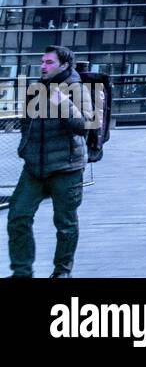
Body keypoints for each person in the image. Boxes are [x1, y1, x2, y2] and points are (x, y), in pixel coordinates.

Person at [8, 47, 94, 278]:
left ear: (64, 65)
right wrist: (24, 148)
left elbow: (86, 125)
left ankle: (62, 273)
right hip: (34, 168)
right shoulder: (36, 89)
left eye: (49, 62)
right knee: (17, 217)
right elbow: (26, 122)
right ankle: (22, 272)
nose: (43, 66)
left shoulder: (78, 89)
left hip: (66, 168)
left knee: (65, 225)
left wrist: (63, 102)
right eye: (42, 61)